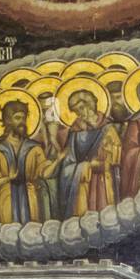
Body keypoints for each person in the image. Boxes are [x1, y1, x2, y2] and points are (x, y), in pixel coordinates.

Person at [0, 98, 52, 223]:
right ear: (8, 121)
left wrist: (57, 162)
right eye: (17, 118)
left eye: (24, 118)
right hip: (6, 201)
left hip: (31, 200)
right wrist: (8, 178)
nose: (22, 122)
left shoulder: (35, 148)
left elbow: (44, 172)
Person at [57, 88, 121, 217]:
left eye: (81, 108)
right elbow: (68, 163)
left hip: (104, 180)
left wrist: (107, 159)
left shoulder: (108, 127)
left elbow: (117, 155)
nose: (80, 114)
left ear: (91, 104)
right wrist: (84, 167)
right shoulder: (75, 131)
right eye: (76, 111)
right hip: (83, 184)